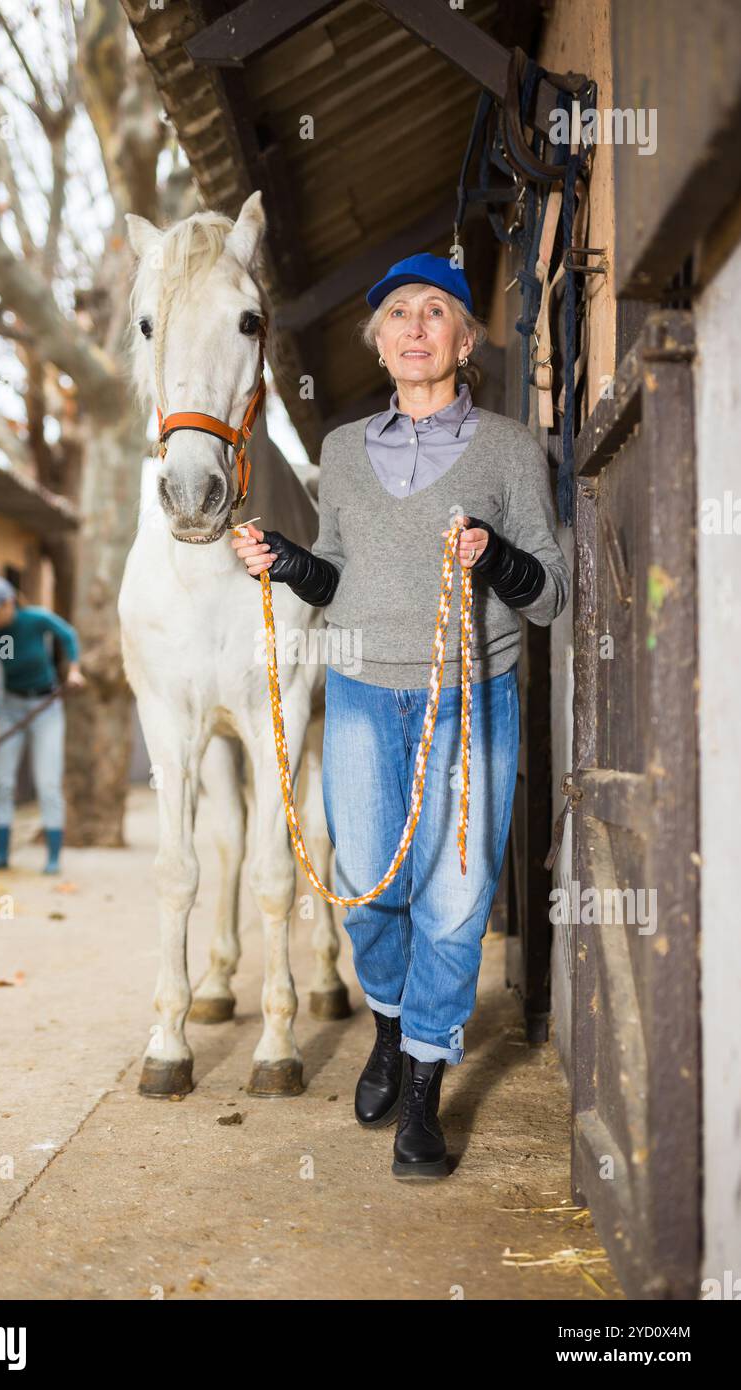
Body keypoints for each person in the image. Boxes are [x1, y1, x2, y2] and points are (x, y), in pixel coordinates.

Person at [232, 252, 571, 1181]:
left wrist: (495, 555)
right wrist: (287, 562)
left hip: (471, 692)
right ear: (380, 345)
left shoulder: (508, 448)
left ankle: (423, 1083)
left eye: (435, 312)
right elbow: (336, 572)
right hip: (358, 688)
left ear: (465, 338)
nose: (415, 328)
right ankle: (388, 1023)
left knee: (455, 905)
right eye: (396, 316)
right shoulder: (341, 452)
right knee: (370, 887)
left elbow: (549, 594)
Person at [0, 575, 85, 875]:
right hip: (11, 707)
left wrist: (73, 669)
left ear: (9, 603)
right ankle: (1, 854)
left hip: (46, 707)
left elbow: (68, 635)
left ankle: (53, 857)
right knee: (2, 782)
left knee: (47, 782)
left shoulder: (35, 620)